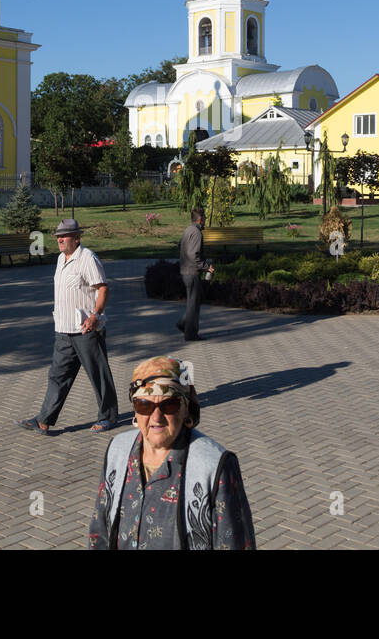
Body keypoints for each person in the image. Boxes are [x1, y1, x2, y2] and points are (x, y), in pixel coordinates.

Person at [88, 356, 255, 549]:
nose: (156, 417)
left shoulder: (214, 465)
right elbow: (99, 531)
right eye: (144, 405)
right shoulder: (118, 450)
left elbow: (235, 542)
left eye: (169, 405)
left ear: (186, 410)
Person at [18, 219, 120, 435]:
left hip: (86, 330)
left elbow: (103, 290)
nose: (60, 239)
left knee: (98, 375)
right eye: (57, 236)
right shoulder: (60, 259)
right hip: (63, 330)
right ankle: (44, 420)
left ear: (77, 238)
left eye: (64, 236)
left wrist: (95, 316)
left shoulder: (87, 258)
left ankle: (108, 417)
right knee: (57, 375)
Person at [177, 207, 212, 341]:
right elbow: (194, 255)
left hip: (185, 271)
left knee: (195, 301)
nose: (205, 222)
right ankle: (190, 334)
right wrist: (206, 267)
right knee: (193, 304)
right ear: (200, 219)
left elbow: (180, 246)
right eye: (204, 219)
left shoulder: (187, 230)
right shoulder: (197, 233)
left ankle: (183, 323)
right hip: (191, 272)